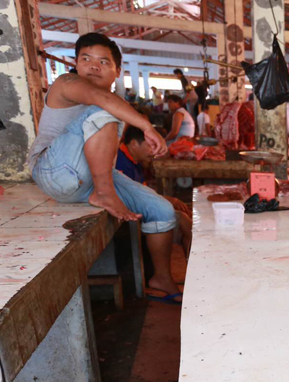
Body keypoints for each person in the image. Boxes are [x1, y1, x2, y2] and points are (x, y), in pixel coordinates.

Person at [27, 32, 183, 302]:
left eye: (103, 61)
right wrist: (147, 126)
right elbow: (101, 102)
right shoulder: (67, 83)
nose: (93, 66)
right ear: (76, 64)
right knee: (105, 109)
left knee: (162, 210)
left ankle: (162, 279)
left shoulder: (112, 102)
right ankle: (103, 192)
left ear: (117, 71)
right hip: (54, 172)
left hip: (88, 177)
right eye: (86, 59)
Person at [116, 125, 193, 257]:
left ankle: (191, 269)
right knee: (185, 222)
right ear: (134, 144)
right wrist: (170, 201)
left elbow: (143, 191)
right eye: (150, 146)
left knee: (187, 221)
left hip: (141, 211)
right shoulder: (120, 162)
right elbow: (135, 198)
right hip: (130, 219)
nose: (154, 152)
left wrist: (171, 201)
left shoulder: (135, 161)